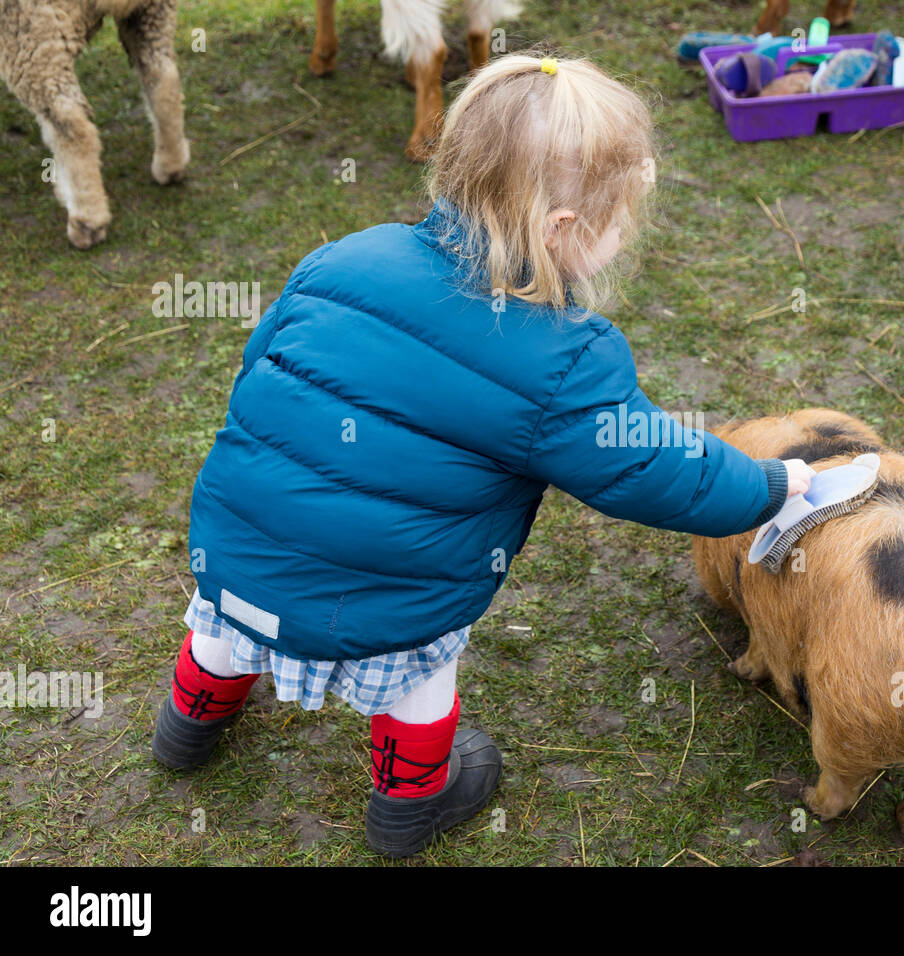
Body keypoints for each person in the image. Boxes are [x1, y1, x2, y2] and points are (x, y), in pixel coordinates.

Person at [151, 54, 815, 858]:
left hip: (233, 552)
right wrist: (771, 484)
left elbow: (260, 366)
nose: (630, 229)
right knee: (421, 675)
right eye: (623, 215)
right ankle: (411, 802)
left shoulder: (341, 260)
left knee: (228, 623)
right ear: (563, 231)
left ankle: (187, 726)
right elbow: (655, 469)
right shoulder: (562, 357)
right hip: (389, 605)